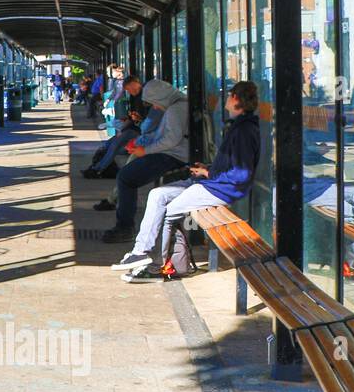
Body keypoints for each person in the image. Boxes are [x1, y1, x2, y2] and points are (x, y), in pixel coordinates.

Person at [111, 81, 261, 280]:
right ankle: (140, 252)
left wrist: (210, 174)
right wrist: (207, 169)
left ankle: (158, 268)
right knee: (157, 194)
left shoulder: (244, 131)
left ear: (235, 99)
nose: (225, 98)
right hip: (213, 185)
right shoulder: (239, 127)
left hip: (219, 189)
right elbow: (231, 167)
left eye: (228, 95)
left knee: (170, 209)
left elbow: (240, 174)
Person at [101, 79, 189, 243]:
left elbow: (171, 140)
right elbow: (163, 135)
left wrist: (145, 150)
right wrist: (142, 144)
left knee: (126, 178)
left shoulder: (176, 110)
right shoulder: (176, 106)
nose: (155, 107)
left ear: (161, 97)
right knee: (127, 173)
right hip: (170, 153)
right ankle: (121, 218)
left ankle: (125, 227)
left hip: (172, 157)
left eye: (155, 103)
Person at [82, 75, 143, 178]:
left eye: (129, 89)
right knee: (107, 145)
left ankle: (98, 170)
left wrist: (130, 123)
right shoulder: (134, 98)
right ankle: (97, 167)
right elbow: (131, 117)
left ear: (134, 85)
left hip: (138, 130)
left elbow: (143, 119)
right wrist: (124, 126)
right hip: (131, 127)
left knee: (114, 145)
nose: (130, 92)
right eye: (127, 90)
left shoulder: (144, 98)